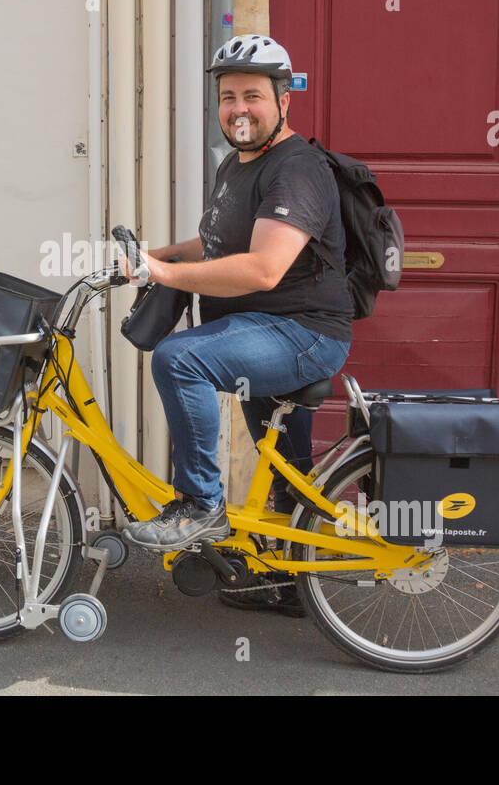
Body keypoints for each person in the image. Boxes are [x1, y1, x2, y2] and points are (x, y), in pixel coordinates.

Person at [119, 33, 354, 614]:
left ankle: (200, 506)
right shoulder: (238, 164)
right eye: (228, 96)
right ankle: (295, 584)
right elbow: (219, 242)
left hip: (302, 335)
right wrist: (157, 257)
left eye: (253, 94)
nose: (239, 108)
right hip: (262, 332)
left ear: (284, 100)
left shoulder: (297, 169)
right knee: (290, 472)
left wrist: (166, 277)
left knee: (181, 358)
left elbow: (264, 266)